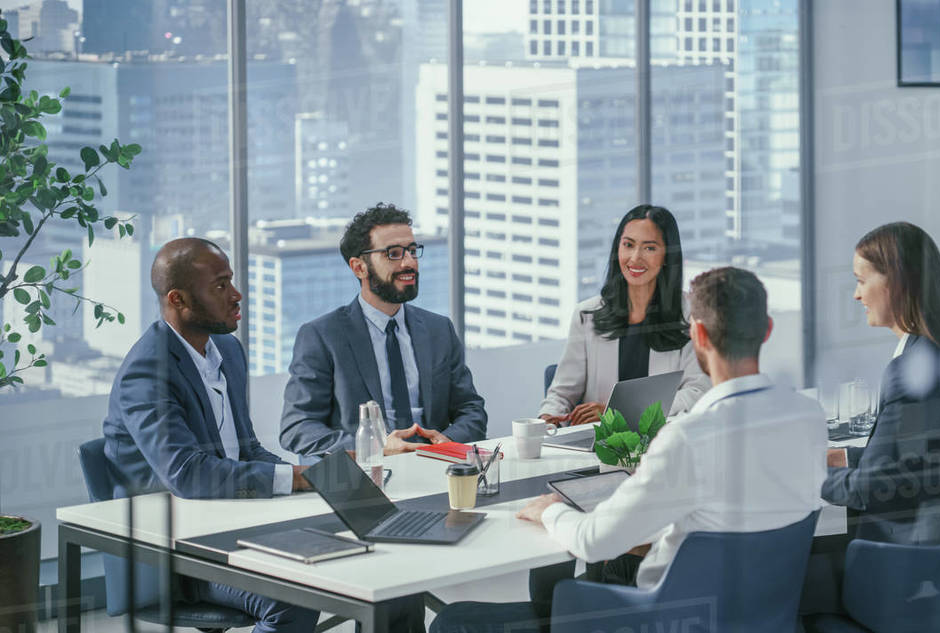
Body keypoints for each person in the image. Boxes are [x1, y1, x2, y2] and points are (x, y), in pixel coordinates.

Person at [430, 267, 828, 633]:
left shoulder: (688, 438)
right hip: (758, 617)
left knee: (455, 620)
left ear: (700, 335)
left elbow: (593, 542)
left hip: (660, 618)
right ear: (768, 329)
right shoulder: (808, 417)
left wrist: (549, 508)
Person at [103, 238, 318, 633]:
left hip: (231, 525)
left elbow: (247, 448)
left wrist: (309, 477)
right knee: (297, 599)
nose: (237, 295)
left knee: (352, 560)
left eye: (231, 281)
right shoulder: (147, 373)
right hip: (175, 552)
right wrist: (295, 478)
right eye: (220, 285)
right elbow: (187, 474)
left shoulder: (226, 350)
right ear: (178, 299)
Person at [800, 221, 940, 619]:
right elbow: (918, 459)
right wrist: (842, 458)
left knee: (795, 573)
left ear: (894, 283)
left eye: (861, 280)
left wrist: (809, 472)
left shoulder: (911, 370)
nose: (856, 294)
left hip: (914, 565)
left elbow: (870, 490)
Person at [279, 203, 486, 457]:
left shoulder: (438, 329)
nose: (409, 262)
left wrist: (445, 442)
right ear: (359, 267)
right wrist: (376, 448)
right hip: (364, 477)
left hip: (435, 466)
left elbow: (472, 410)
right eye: (394, 253)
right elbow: (297, 427)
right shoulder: (322, 336)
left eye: (412, 251)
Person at [538, 204, 709, 427]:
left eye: (649, 248)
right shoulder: (586, 314)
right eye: (628, 245)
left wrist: (619, 413)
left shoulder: (692, 316)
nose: (635, 258)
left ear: (667, 254)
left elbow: (698, 392)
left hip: (663, 441)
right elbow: (560, 394)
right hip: (599, 449)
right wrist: (546, 422)